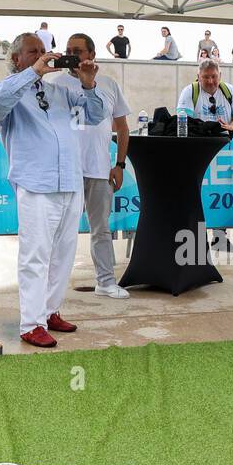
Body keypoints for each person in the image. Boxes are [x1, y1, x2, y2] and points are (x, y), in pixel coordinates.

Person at [0, 32, 106, 348]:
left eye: (44, 51)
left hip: (70, 183)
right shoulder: (8, 92)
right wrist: (33, 72)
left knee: (64, 255)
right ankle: (31, 323)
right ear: (17, 59)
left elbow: (93, 115)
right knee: (35, 256)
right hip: (36, 185)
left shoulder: (59, 92)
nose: (43, 55)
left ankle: (50, 310)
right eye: (33, 51)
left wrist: (88, 82)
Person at [63, 33, 132, 300]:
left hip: (100, 169)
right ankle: (50, 285)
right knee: (61, 232)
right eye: (68, 49)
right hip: (65, 171)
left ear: (91, 54)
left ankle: (105, 281)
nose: (71, 54)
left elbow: (123, 128)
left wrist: (120, 164)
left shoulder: (108, 84)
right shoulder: (56, 83)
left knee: (101, 229)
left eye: (77, 50)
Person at [176, 59, 233, 132]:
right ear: (198, 77)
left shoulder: (230, 90)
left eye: (214, 76)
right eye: (206, 77)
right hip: (198, 142)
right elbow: (183, 122)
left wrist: (231, 127)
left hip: (225, 141)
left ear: (220, 75)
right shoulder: (189, 91)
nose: (210, 81)